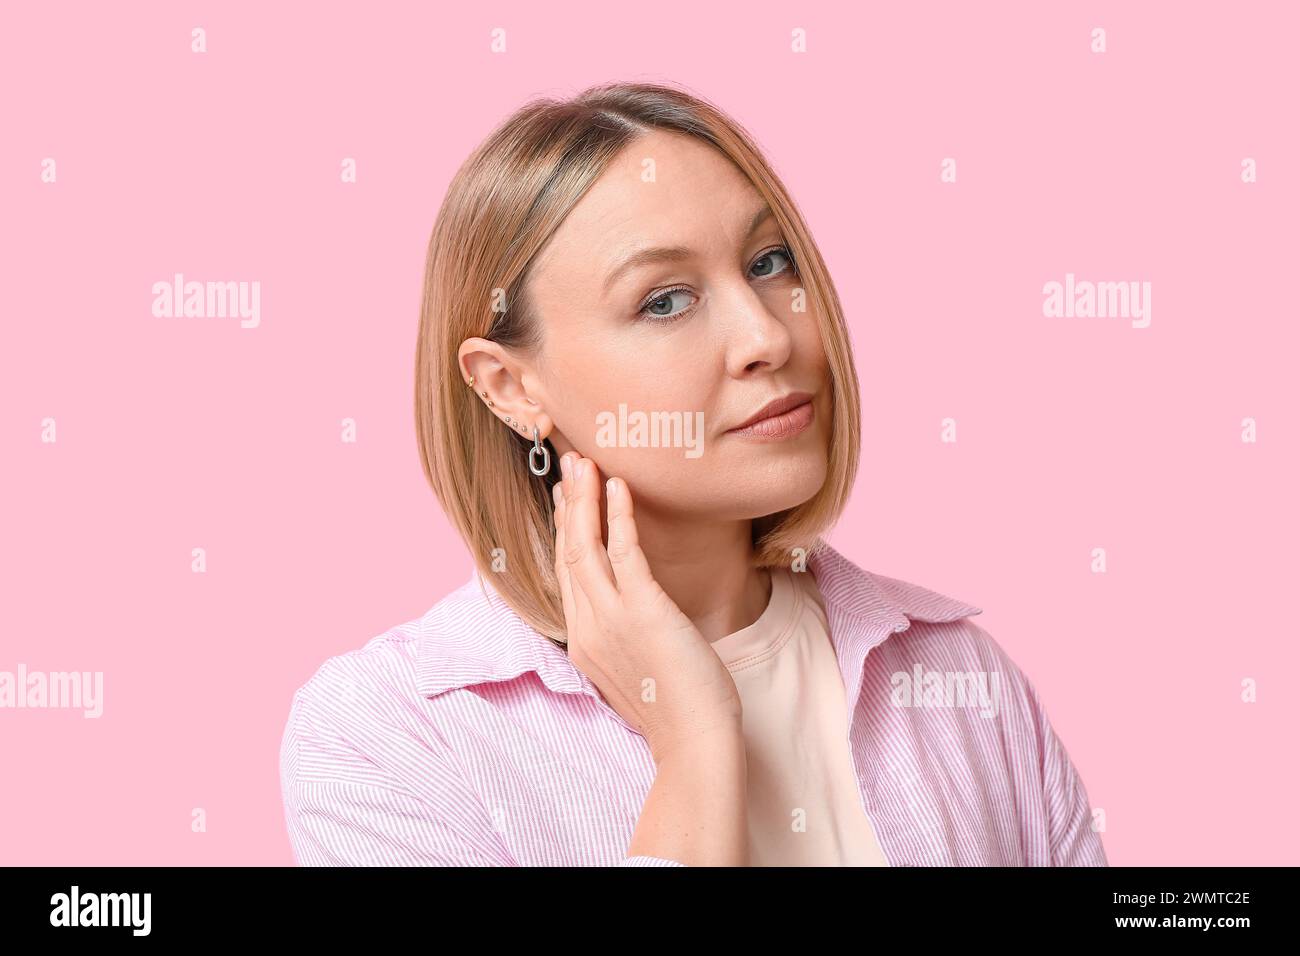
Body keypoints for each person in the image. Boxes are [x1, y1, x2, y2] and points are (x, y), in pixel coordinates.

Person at [279, 80, 1107, 867]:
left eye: (770, 262)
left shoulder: (957, 677)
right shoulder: (391, 734)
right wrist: (696, 751)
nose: (766, 338)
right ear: (512, 387)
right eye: (665, 301)